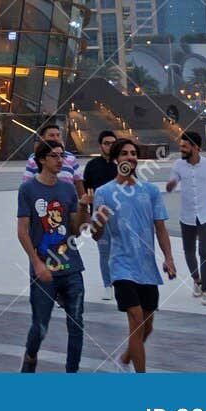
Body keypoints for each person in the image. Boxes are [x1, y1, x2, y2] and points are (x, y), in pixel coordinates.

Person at [92, 137, 176, 373]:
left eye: (133, 153)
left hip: (147, 268)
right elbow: (97, 235)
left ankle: (127, 355)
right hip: (121, 266)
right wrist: (98, 219)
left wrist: (168, 259)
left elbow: (160, 228)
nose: (130, 157)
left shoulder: (149, 191)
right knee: (137, 321)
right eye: (125, 153)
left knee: (146, 328)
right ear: (116, 159)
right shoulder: (104, 192)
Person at [16, 139, 89, 372]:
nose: (61, 161)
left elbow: (76, 230)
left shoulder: (67, 189)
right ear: (42, 160)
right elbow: (22, 231)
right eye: (55, 156)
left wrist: (84, 207)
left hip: (71, 267)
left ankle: (72, 372)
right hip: (44, 270)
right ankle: (31, 355)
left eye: (62, 156)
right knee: (40, 327)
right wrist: (36, 263)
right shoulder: (28, 190)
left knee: (76, 322)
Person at [165, 129, 206, 305]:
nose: (181, 149)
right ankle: (196, 279)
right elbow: (172, 181)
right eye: (180, 146)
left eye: (185, 146)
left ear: (195, 148)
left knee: (205, 252)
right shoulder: (178, 165)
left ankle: (205, 290)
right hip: (187, 216)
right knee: (189, 252)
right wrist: (171, 185)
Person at [81, 130, 119, 303]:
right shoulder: (92, 165)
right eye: (106, 143)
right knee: (104, 252)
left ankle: (121, 283)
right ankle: (107, 285)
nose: (110, 146)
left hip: (120, 216)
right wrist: (88, 214)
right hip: (99, 218)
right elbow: (86, 191)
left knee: (121, 251)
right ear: (100, 145)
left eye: (113, 143)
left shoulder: (122, 164)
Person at [23, 120, 80, 185]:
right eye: (51, 135)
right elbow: (26, 184)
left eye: (58, 135)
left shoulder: (71, 157)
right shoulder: (33, 158)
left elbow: (78, 182)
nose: (56, 138)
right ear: (42, 138)